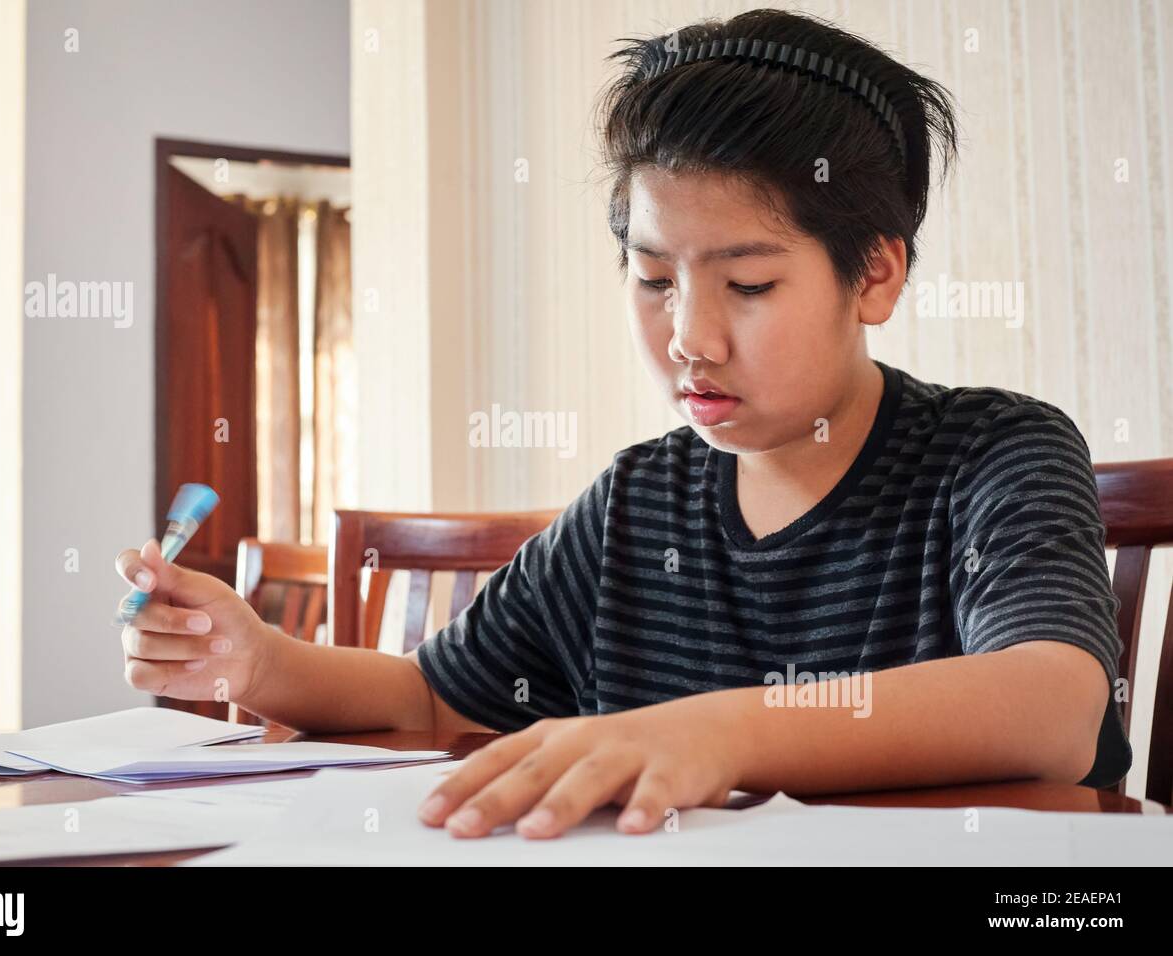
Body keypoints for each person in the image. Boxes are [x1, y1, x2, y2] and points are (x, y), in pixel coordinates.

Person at [116, 8, 1130, 840]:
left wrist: (719, 732)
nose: (689, 336)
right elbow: (433, 699)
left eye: (748, 283)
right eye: (651, 279)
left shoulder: (993, 453)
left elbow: (1050, 706)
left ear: (874, 271)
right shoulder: (640, 499)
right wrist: (256, 660)